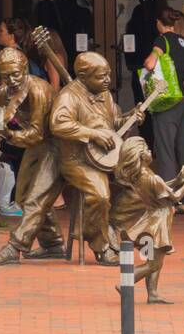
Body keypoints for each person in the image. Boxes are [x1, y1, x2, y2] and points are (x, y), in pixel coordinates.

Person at [48, 52, 142, 265]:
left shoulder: (105, 94)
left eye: (108, 75)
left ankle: (108, 224)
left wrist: (130, 117)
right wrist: (92, 133)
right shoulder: (68, 96)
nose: (108, 80)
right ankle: (101, 245)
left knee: (143, 184)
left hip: (106, 157)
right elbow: (58, 124)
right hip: (77, 160)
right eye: (101, 76)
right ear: (82, 76)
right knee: (100, 195)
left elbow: (115, 123)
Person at [0, 48, 71, 265]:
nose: (11, 80)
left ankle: (14, 247)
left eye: (15, 74)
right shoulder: (6, 91)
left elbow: (36, 133)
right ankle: (53, 243)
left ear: (25, 69)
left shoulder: (38, 90)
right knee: (22, 196)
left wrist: (9, 134)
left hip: (58, 144)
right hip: (38, 146)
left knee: (35, 198)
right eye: (5, 75)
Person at [111, 138, 184, 303]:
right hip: (158, 222)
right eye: (145, 149)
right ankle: (125, 284)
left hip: (148, 220)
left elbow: (159, 188)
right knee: (153, 264)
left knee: (152, 258)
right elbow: (173, 197)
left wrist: (176, 181)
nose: (149, 151)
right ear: (139, 156)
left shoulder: (141, 176)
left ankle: (152, 294)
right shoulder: (152, 178)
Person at [143, 7, 184, 215]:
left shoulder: (162, 41)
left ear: (159, 24)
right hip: (183, 102)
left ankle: (168, 202)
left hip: (166, 103)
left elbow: (151, 63)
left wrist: (148, 64)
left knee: (166, 151)